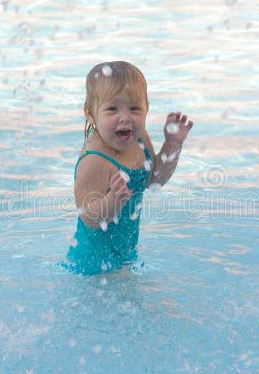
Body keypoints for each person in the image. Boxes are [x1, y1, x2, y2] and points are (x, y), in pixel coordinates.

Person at [65, 61, 193, 275]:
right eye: (112, 109)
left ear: (147, 108)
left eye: (134, 108)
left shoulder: (140, 140)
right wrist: (112, 200)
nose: (125, 118)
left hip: (124, 255)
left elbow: (154, 180)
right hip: (91, 265)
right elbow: (89, 216)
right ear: (90, 113)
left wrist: (173, 144)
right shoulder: (94, 160)